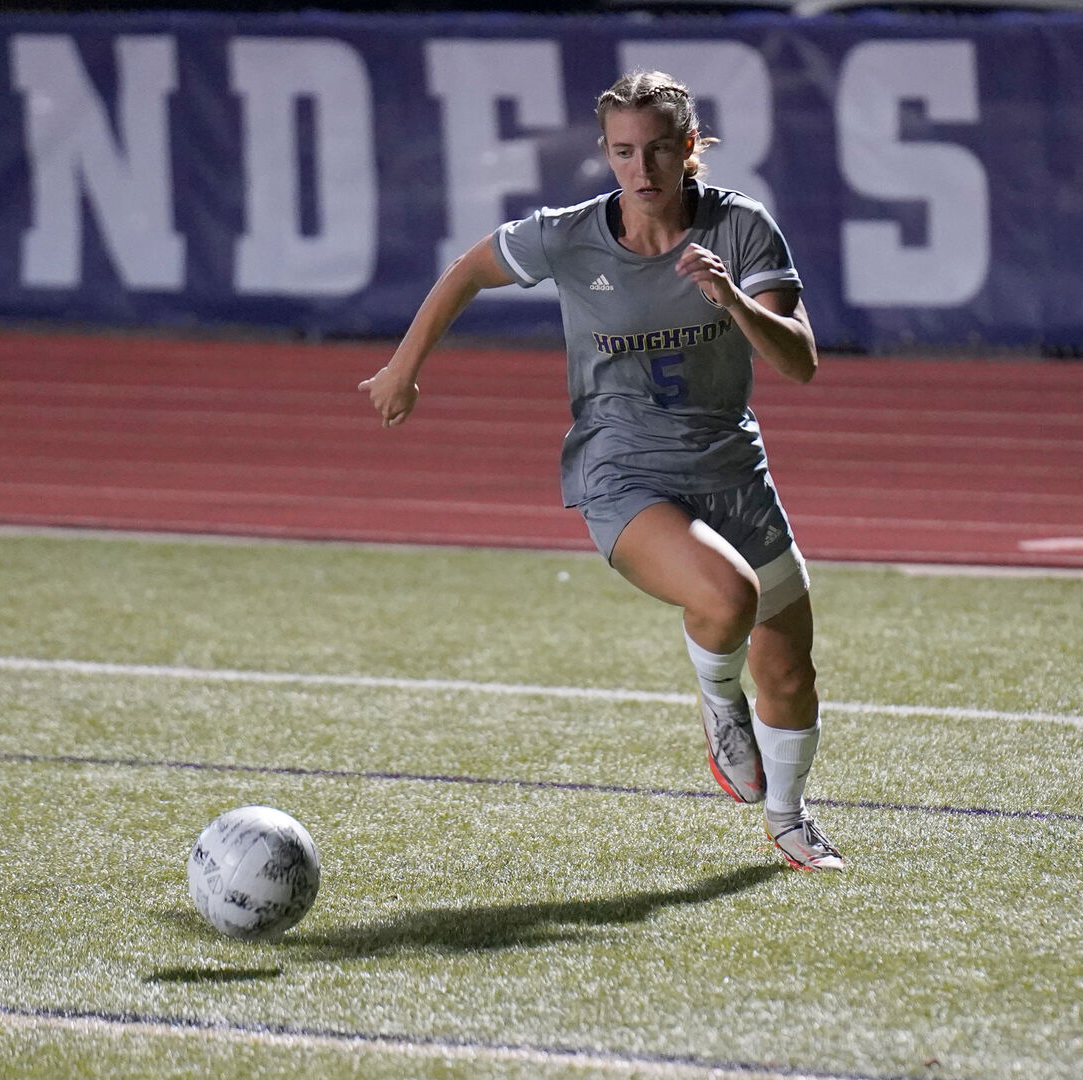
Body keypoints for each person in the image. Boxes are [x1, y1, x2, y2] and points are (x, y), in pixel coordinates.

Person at [360, 71, 842, 871]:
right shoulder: (570, 234)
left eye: (657, 149)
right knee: (728, 598)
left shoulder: (742, 230)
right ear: (606, 154)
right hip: (622, 471)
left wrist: (735, 303)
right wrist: (403, 368)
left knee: (791, 671)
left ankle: (789, 822)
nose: (640, 168)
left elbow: (802, 362)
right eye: (623, 152)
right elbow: (467, 271)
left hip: (730, 465)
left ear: (689, 149)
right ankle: (721, 708)